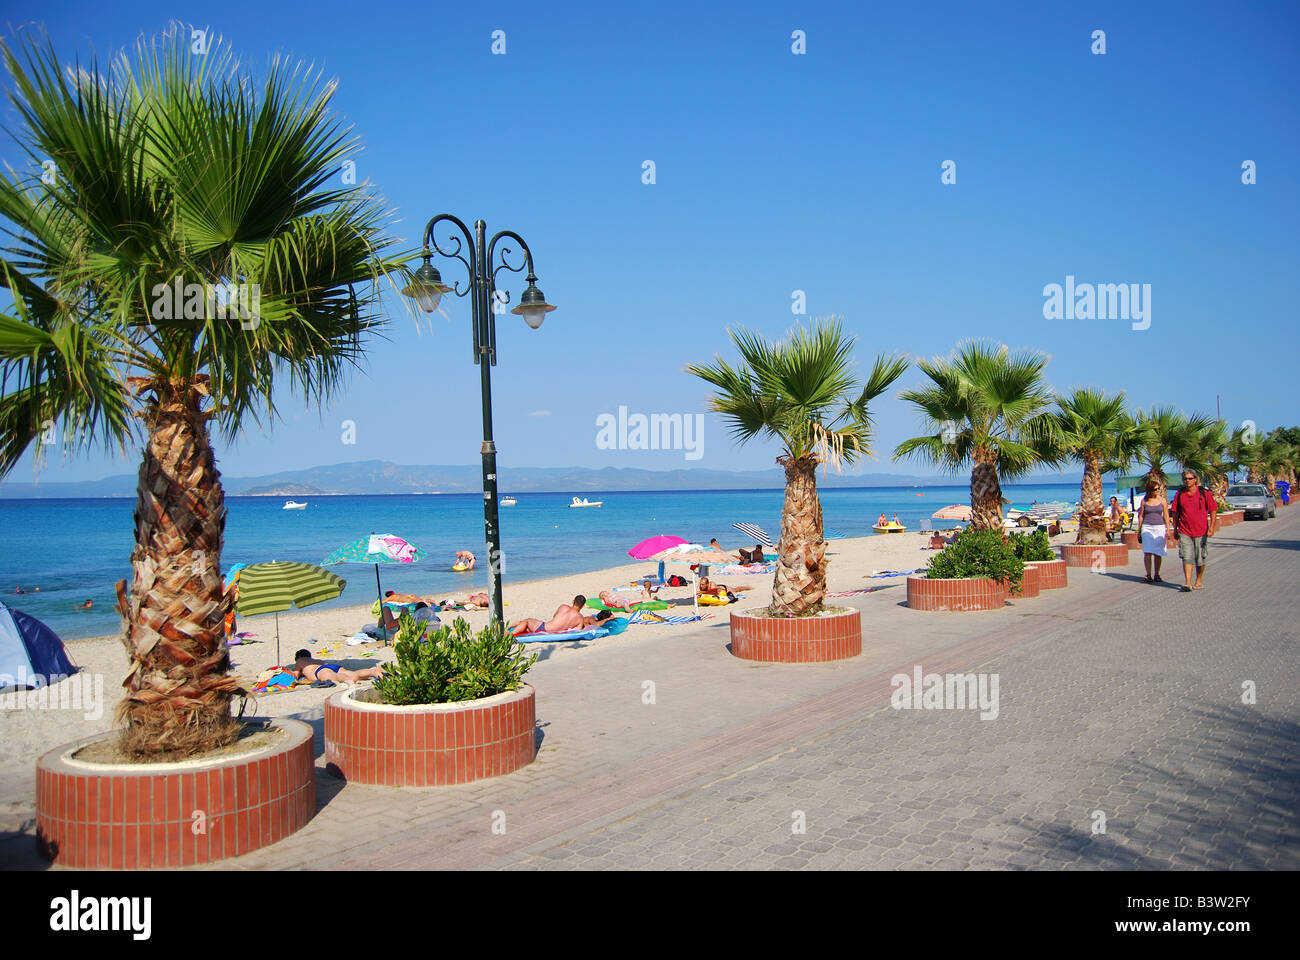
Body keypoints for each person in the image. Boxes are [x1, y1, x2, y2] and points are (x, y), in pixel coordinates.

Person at [1170, 471, 1217, 591]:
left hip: (1201, 531)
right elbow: (1175, 513)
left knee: (1200, 558)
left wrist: (1211, 527)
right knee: (1187, 557)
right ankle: (1187, 582)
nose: (1188, 481)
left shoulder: (1204, 493)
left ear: (1195, 479)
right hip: (1184, 530)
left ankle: (1199, 580)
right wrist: (1175, 529)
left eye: (1190, 478)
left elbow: (1213, 510)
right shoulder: (1180, 494)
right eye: (1185, 479)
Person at [1137, 479, 1173, 583]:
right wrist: (1139, 530)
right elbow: (1141, 516)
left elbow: (1166, 515)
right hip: (1147, 527)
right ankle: (1148, 574)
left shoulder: (1162, 500)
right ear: (1150, 490)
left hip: (1159, 527)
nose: (1158, 491)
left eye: (1159, 489)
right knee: (1147, 551)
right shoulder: (1144, 500)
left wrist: (1168, 529)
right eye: (1155, 489)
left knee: (1158, 552)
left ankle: (1157, 574)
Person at [286, 649, 385, 685]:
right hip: (331, 666)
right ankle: (372, 672)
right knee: (353, 674)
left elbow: (295, 675)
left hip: (320, 671)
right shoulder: (316, 660)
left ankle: (349, 681)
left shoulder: (300, 661)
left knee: (339, 677)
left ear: (298, 657)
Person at [509, 595, 588, 637]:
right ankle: (517, 624)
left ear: (573, 601)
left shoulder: (563, 607)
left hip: (544, 628)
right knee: (527, 627)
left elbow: (555, 617)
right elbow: (578, 631)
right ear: (583, 606)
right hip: (553, 632)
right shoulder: (580, 618)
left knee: (527, 621)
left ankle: (511, 633)